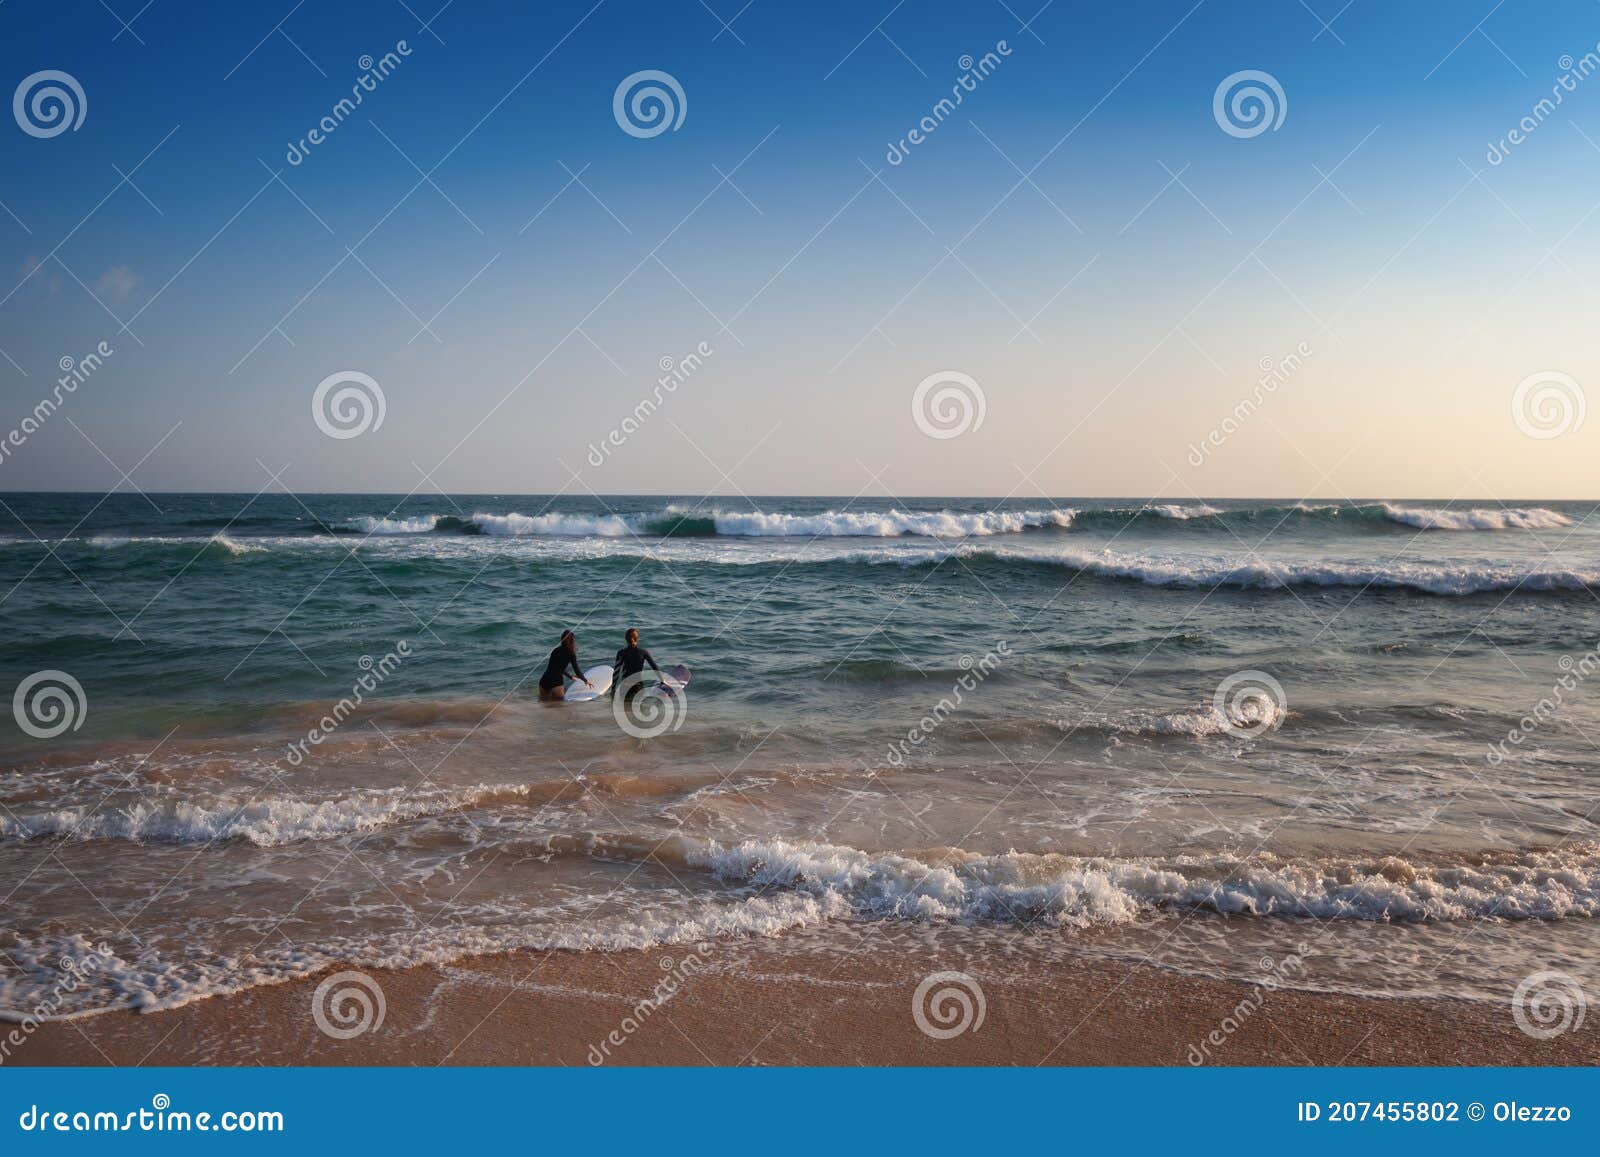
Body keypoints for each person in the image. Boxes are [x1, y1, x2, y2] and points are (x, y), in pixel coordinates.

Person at [611, 627, 662, 700]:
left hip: (625, 687)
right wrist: (662, 681)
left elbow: (616, 673)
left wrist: (613, 690)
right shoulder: (643, 652)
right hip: (638, 687)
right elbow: (655, 667)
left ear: (626, 639)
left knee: (624, 708)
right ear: (637, 638)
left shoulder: (621, 653)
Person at [538, 630, 590, 701]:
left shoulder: (555, 650)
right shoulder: (571, 654)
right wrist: (585, 680)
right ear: (572, 641)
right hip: (556, 683)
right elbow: (577, 670)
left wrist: (570, 676)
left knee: (543, 704)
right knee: (560, 708)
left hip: (544, 681)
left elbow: (556, 667)